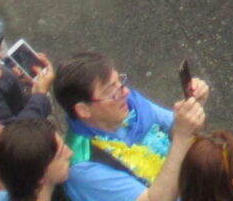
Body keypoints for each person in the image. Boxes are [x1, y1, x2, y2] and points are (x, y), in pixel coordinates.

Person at [58, 58, 208, 201]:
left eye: (120, 82)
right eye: (112, 91)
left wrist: (193, 107)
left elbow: (182, 129)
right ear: (84, 110)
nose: (126, 92)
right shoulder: (84, 166)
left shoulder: (129, 104)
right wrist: (182, 136)